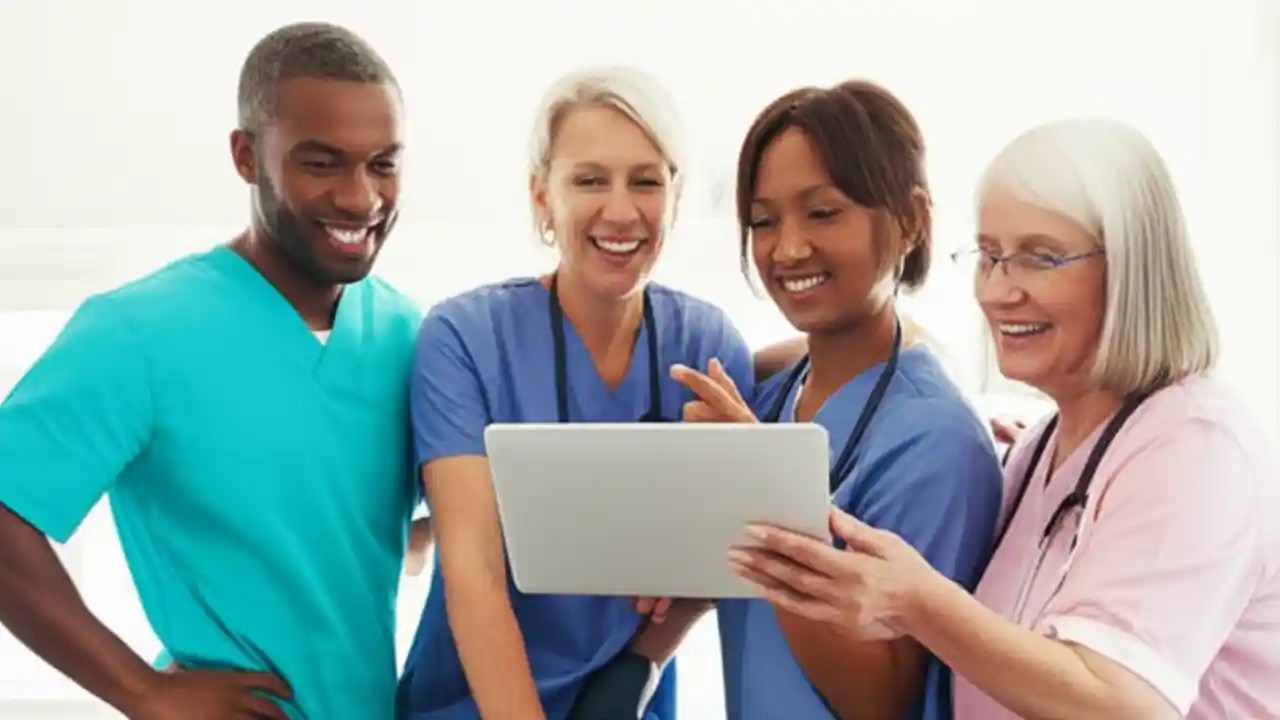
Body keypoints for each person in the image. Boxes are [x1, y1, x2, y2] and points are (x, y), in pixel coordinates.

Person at [731, 118, 1280, 719]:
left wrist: (919, 602)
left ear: (1133, 265)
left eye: (1040, 258)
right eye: (990, 256)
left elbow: (1123, 705)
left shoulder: (1194, 449)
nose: (998, 292)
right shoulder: (1043, 451)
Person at [0, 22, 421, 720]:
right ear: (247, 156)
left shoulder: (409, 334)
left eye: (383, 163)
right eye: (321, 164)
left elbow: (401, 526)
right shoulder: (139, 332)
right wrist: (140, 689)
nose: (360, 198)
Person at [397, 66, 754, 720]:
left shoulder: (707, 344)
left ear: (674, 197)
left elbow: (718, 563)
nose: (620, 210)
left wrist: (639, 665)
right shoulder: (464, 340)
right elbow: (473, 575)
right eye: (589, 180)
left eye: (645, 180)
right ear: (542, 197)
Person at [673, 80, 1002, 720]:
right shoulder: (771, 400)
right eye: (763, 221)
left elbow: (879, 699)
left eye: (823, 212)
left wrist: (755, 480)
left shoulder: (938, 443)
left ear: (911, 220)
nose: (788, 248)